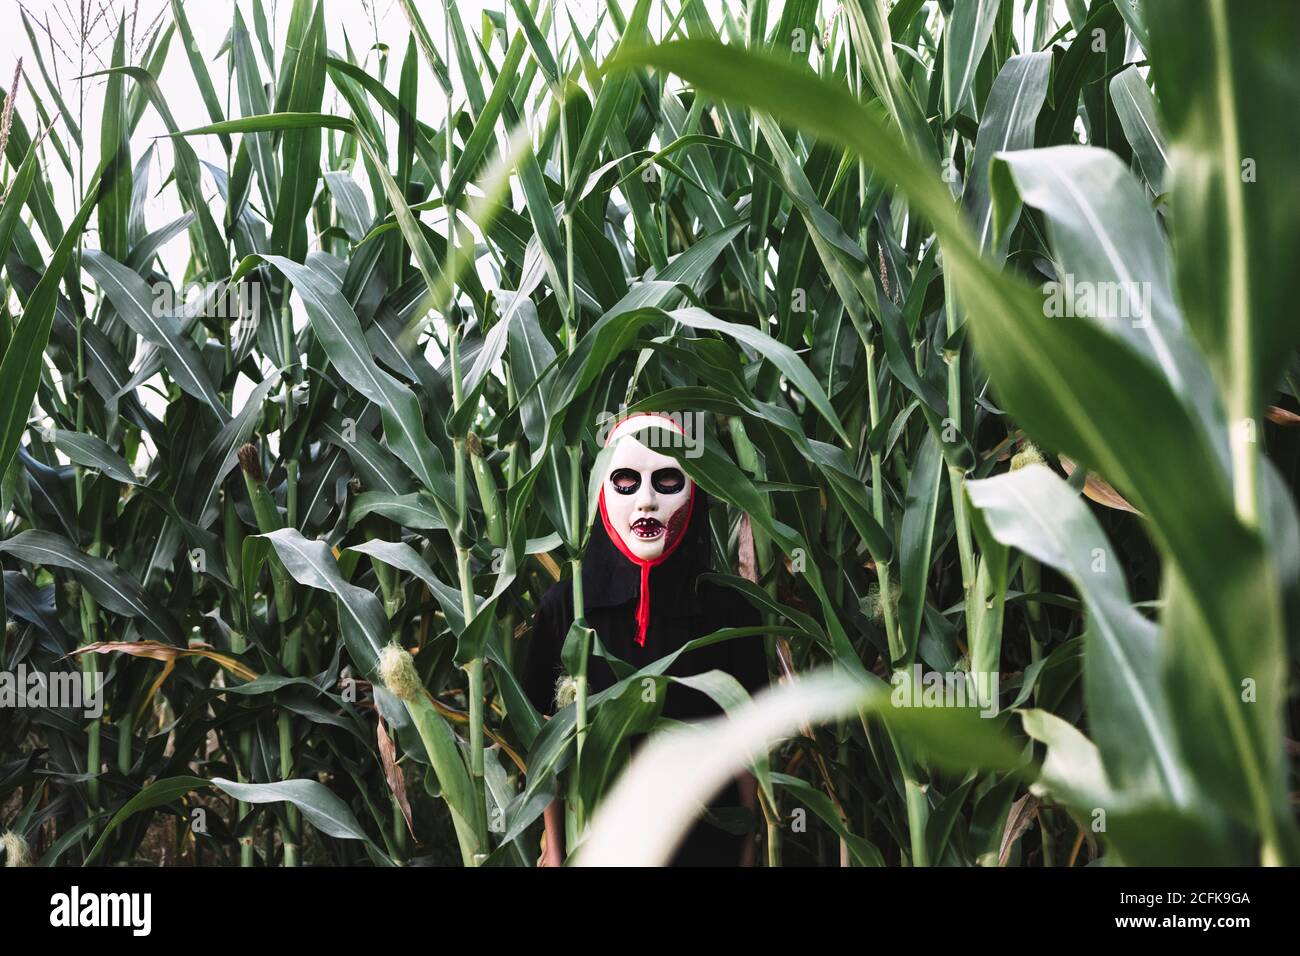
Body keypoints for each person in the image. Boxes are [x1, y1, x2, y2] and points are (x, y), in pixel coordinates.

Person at [522, 413, 769, 866]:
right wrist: (555, 850)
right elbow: (544, 741)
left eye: (668, 480)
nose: (647, 501)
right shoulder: (566, 608)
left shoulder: (730, 611)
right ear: (601, 489)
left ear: (693, 493)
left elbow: (745, 743)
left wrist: (747, 847)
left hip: (706, 850)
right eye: (626, 481)